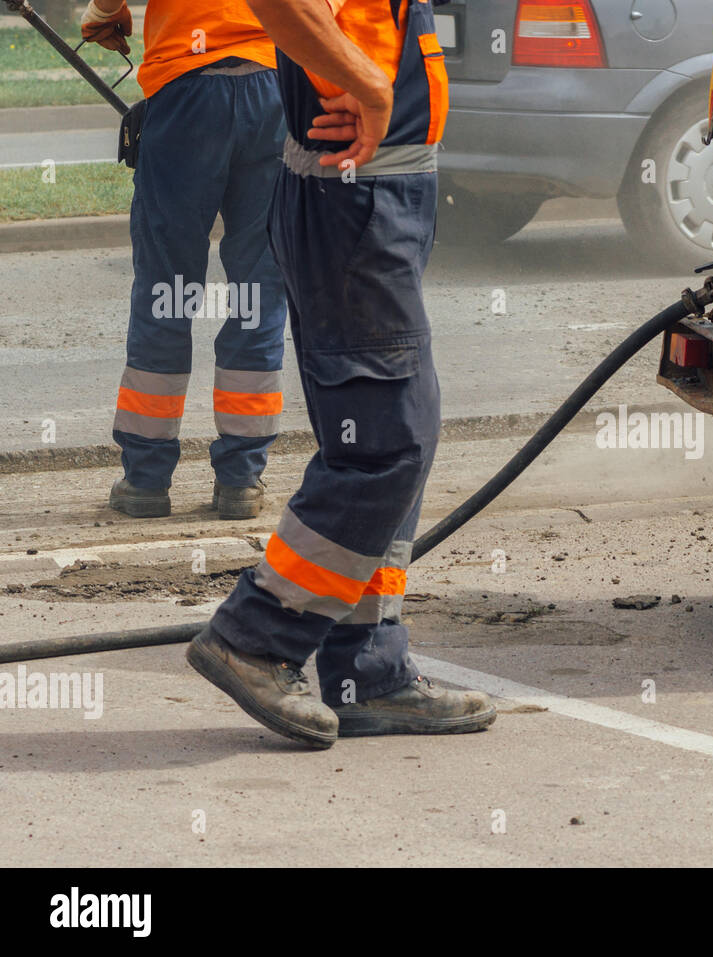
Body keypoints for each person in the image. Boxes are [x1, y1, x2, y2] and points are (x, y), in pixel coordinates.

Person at [183, 0, 495, 749]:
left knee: (392, 438)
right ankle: (255, 637)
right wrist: (372, 85)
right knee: (388, 444)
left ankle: (368, 672)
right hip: (354, 202)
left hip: (378, 196)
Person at [83, 0, 288, 520]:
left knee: (165, 291)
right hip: (275, 83)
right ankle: (241, 479)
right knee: (257, 294)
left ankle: (147, 481)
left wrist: (103, 12)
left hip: (187, 89)